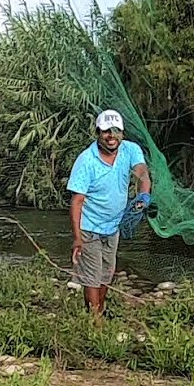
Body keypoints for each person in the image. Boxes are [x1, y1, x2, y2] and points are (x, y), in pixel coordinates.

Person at [66, 109, 152, 318]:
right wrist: (77, 238)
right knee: (92, 276)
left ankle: (99, 311)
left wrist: (143, 194)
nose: (111, 136)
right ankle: (95, 321)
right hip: (89, 227)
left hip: (113, 227)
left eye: (115, 131)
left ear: (122, 133)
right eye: (106, 131)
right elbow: (76, 201)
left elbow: (142, 173)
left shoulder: (130, 150)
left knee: (107, 273)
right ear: (98, 133)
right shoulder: (86, 161)